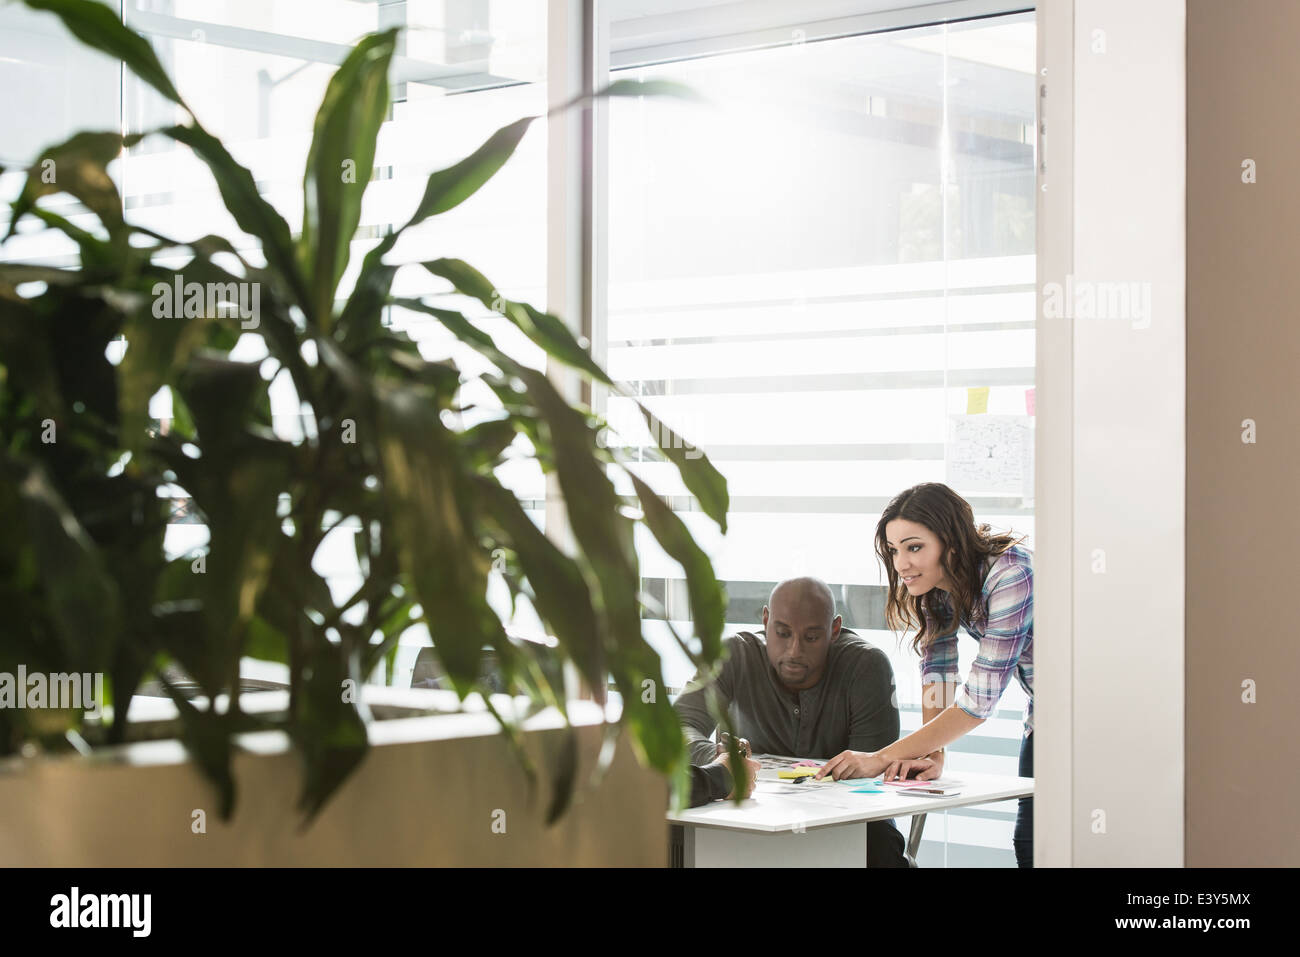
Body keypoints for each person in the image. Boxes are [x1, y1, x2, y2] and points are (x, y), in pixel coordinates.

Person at [816, 483, 1035, 868]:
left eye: (914, 547)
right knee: (1031, 845)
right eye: (894, 550)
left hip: (1101, 713)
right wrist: (932, 755)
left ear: (950, 542)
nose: (901, 564)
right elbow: (939, 671)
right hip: (1047, 719)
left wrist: (879, 759)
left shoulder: (1011, 574)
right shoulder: (938, 587)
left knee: (1052, 844)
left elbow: (978, 702)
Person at [675, 577, 909, 867]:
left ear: (834, 630)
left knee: (877, 841)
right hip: (751, 815)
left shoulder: (866, 666)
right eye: (782, 633)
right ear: (765, 620)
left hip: (846, 823)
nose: (794, 650)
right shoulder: (733, 655)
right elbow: (678, 727)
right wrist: (719, 759)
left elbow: (871, 783)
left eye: (811, 637)